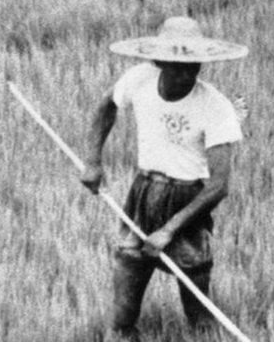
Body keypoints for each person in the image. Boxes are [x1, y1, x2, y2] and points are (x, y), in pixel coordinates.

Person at [83, 17, 244, 334]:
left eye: (193, 65)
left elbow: (218, 186)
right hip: (143, 194)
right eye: (176, 65)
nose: (186, 74)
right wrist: (93, 161)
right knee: (123, 307)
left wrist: (169, 230)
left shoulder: (216, 108)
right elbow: (106, 106)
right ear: (159, 61)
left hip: (188, 202)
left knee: (198, 310)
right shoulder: (139, 79)